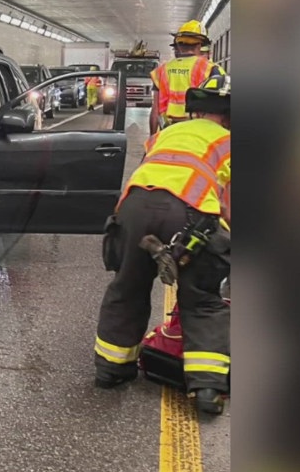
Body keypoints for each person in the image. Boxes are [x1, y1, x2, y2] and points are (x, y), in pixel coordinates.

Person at [93, 75, 231, 415]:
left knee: (128, 287)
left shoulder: (164, 134)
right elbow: (228, 204)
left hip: (133, 209)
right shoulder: (230, 141)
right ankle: (207, 389)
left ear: (195, 110)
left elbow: (149, 175)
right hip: (189, 213)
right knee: (202, 300)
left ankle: (112, 369)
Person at [149, 20, 225, 135]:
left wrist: (152, 139)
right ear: (199, 45)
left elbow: (155, 111)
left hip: (167, 133)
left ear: (178, 46)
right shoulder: (210, 69)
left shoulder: (162, 70)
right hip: (198, 133)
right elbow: (221, 108)